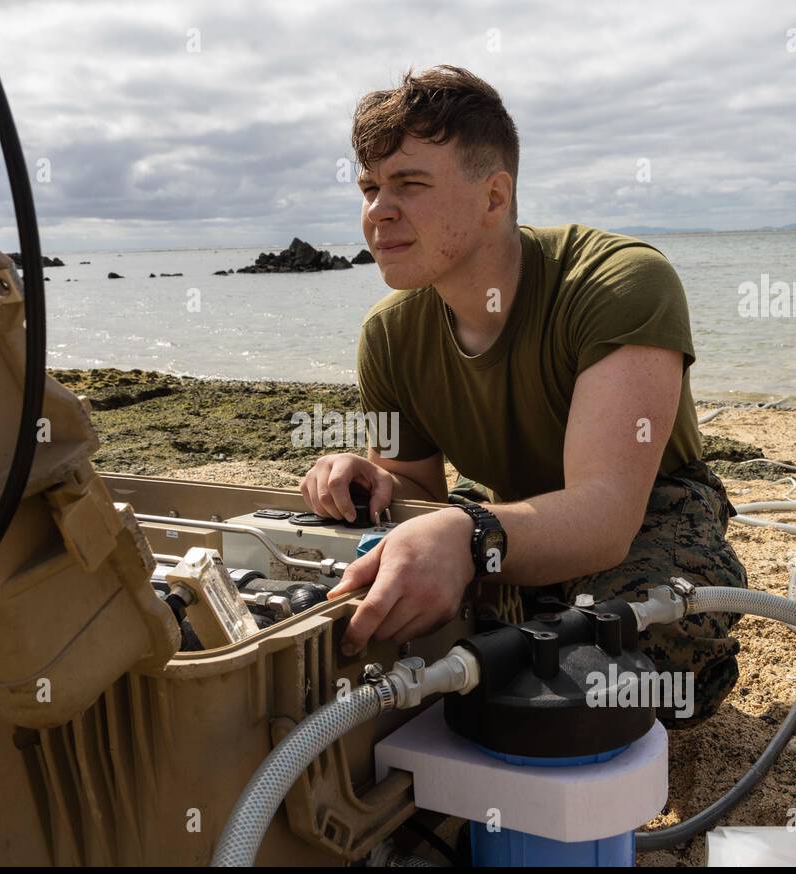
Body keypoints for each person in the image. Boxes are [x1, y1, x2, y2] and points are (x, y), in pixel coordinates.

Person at [299, 65, 747, 728]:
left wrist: (466, 534)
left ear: (494, 196)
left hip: (649, 508)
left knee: (623, 661)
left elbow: (604, 515)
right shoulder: (389, 335)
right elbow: (416, 492)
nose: (377, 211)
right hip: (504, 518)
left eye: (409, 185)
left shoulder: (618, 283)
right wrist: (372, 477)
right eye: (368, 188)